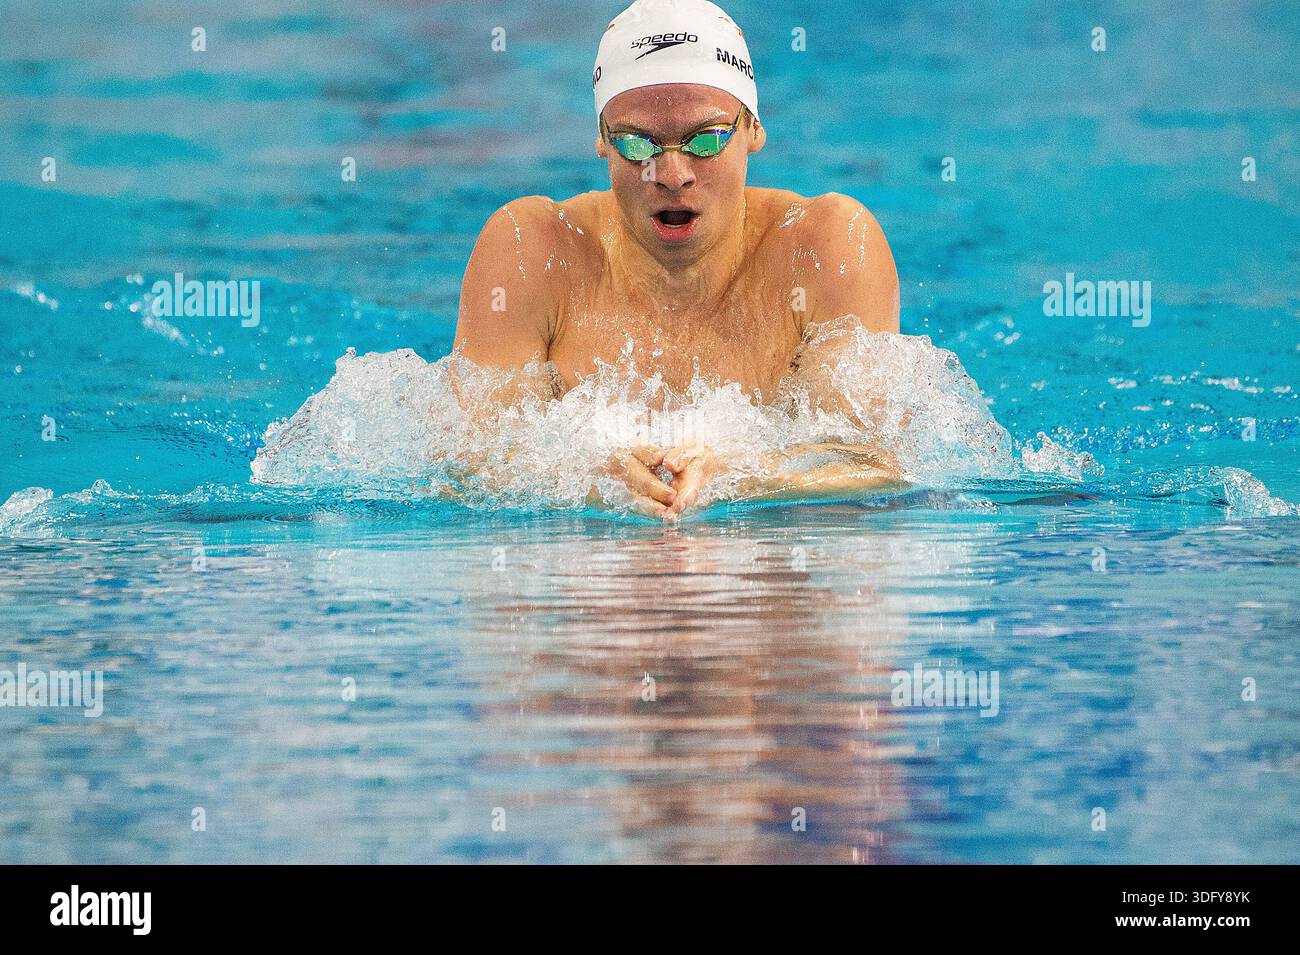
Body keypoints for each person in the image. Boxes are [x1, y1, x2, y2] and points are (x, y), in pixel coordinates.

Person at [453, 0, 901, 520]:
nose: (671, 174)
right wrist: (581, 480)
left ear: (753, 129)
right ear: (602, 140)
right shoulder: (530, 249)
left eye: (706, 139)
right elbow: (467, 465)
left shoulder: (826, 246)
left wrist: (741, 476)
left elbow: (875, 465)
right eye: (637, 143)